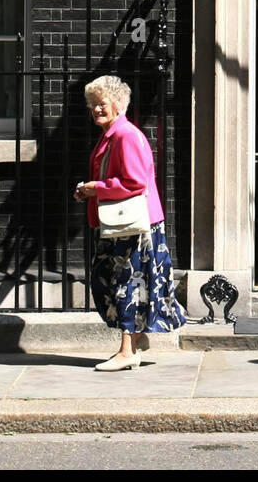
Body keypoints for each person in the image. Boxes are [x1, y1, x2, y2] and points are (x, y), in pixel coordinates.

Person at [74, 75, 185, 370]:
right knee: (117, 283)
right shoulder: (112, 134)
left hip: (134, 229)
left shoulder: (125, 135)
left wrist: (96, 187)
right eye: (93, 105)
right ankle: (132, 342)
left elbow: (134, 182)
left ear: (119, 104)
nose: (97, 109)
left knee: (128, 285)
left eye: (102, 103)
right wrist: (90, 190)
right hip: (121, 226)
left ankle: (127, 351)